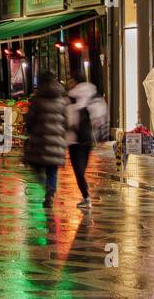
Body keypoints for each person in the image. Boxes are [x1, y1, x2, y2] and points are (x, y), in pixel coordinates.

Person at [23, 74, 68, 208]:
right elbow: (66, 121)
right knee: (52, 169)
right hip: (56, 140)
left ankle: (47, 187)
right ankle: (51, 190)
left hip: (40, 140)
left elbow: (30, 120)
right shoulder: (61, 99)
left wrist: (29, 130)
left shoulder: (37, 99)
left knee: (35, 166)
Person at [66, 78, 105, 209]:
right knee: (81, 169)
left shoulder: (72, 98)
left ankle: (86, 196)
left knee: (78, 171)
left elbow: (68, 120)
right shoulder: (93, 97)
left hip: (74, 140)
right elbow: (100, 117)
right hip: (88, 139)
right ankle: (86, 195)